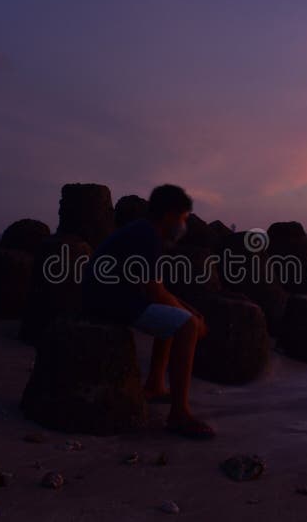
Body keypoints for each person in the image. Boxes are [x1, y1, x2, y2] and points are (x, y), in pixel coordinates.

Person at [82, 185, 214, 439]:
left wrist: (190, 310)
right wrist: (193, 322)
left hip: (110, 296)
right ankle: (179, 414)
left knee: (177, 316)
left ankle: (155, 384)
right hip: (107, 301)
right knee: (185, 326)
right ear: (168, 215)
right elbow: (155, 292)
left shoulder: (144, 232)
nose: (184, 225)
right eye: (183, 218)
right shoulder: (147, 236)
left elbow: (158, 290)